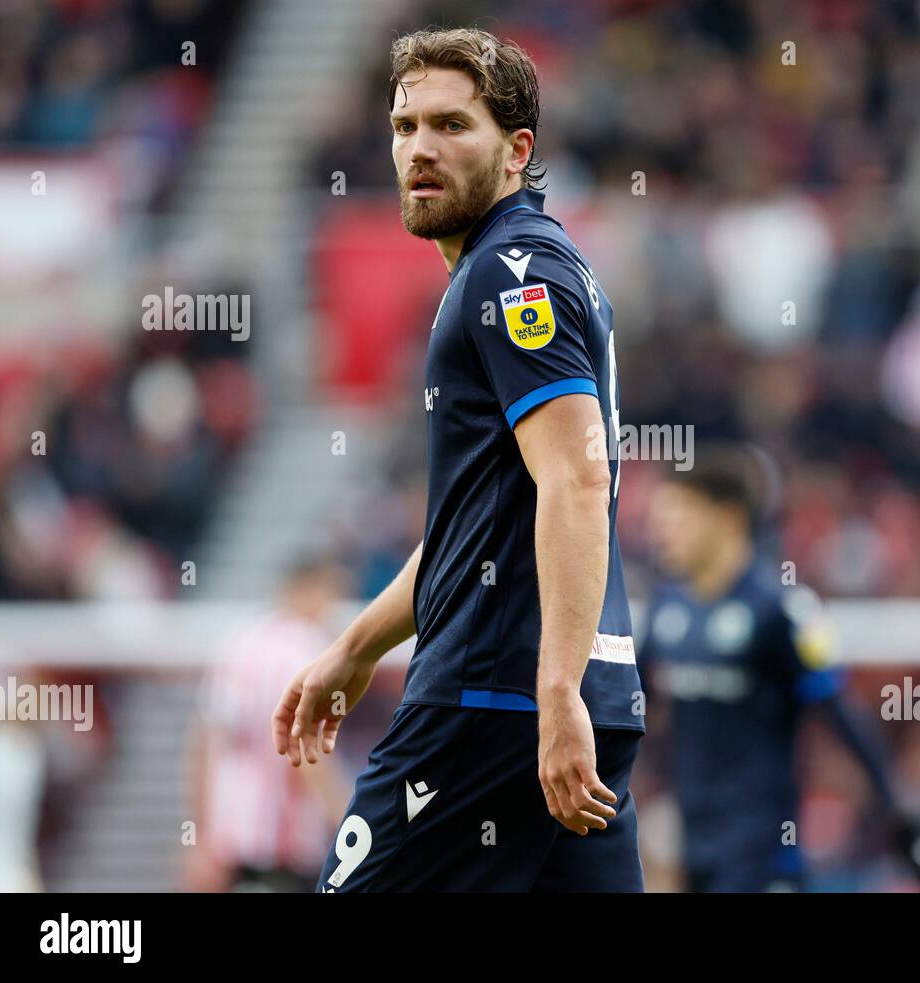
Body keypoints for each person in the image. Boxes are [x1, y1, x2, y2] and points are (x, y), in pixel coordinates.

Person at [271, 28, 644, 892]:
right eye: (404, 127)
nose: (420, 149)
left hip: (495, 700)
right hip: (582, 696)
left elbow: (577, 478)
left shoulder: (510, 273)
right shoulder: (527, 266)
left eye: (451, 125)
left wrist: (553, 693)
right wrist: (357, 646)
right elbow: (476, 534)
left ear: (518, 150)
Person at [639, 447, 920, 891]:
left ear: (727, 519)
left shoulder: (781, 608)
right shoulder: (669, 608)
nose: (663, 535)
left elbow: (842, 716)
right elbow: (634, 706)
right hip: (692, 845)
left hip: (762, 848)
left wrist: (901, 812)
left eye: (678, 520)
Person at [187, 555, 352, 891]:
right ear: (306, 591)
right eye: (330, 595)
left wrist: (199, 832)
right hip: (286, 845)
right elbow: (307, 752)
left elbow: (205, 741)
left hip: (231, 837)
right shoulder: (309, 650)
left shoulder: (238, 643)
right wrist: (347, 818)